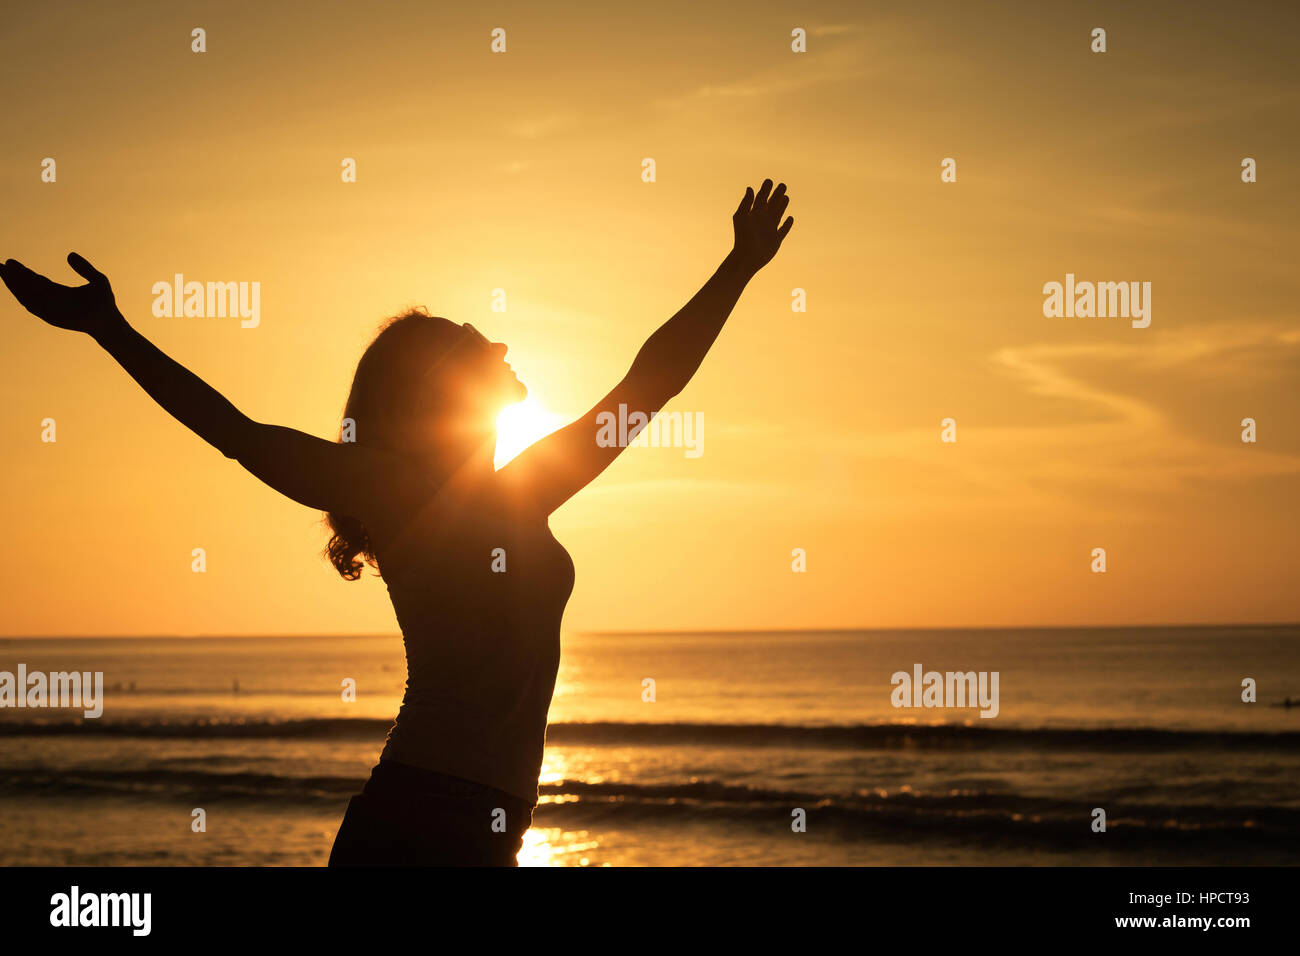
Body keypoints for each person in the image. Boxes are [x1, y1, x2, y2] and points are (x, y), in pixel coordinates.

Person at [0, 179, 794, 865]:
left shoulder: (522, 491)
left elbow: (647, 386)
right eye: (472, 339)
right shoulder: (399, 491)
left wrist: (737, 267)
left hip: (487, 829)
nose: (502, 340)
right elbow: (238, 435)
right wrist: (111, 330)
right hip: (424, 826)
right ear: (439, 381)